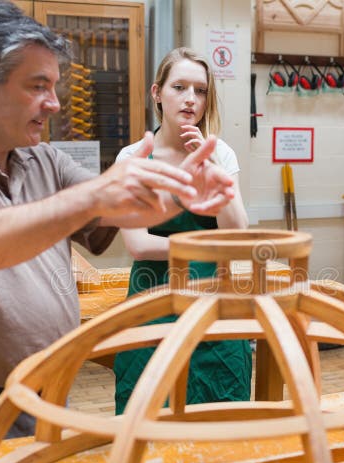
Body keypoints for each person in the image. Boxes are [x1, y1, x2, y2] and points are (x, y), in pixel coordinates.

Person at [0, 2, 237, 450]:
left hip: (50, 398)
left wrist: (180, 190)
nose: (54, 103)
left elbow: (124, 210)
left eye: (54, 86)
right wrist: (97, 194)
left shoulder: (43, 160)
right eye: (38, 86)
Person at [113, 48, 251, 414]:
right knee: (147, 412)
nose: (191, 98)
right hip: (153, 297)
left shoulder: (221, 153)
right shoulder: (132, 157)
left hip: (215, 302)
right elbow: (139, 245)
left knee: (219, 414)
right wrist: (209, 246)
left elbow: (237, 234)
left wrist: (212, 169)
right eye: (179, 87)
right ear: (157, 93)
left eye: (200, 90)